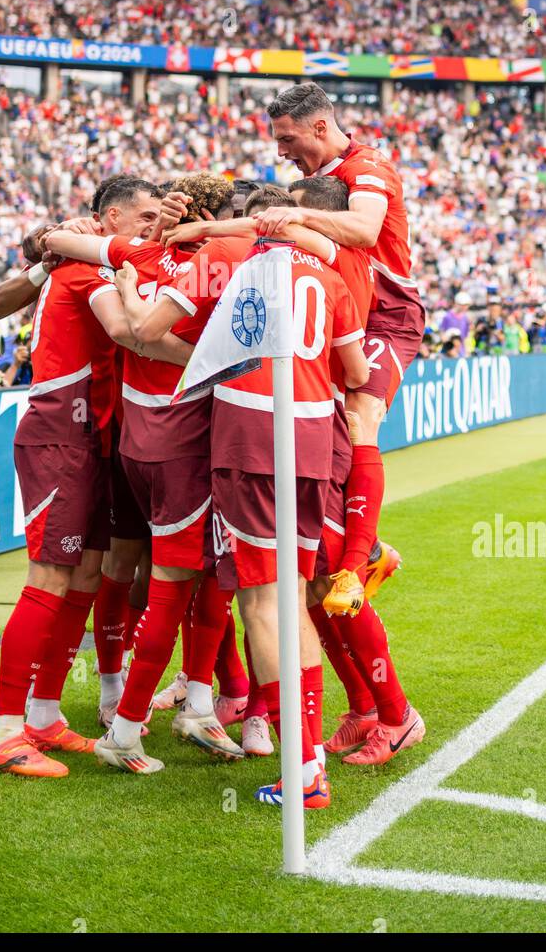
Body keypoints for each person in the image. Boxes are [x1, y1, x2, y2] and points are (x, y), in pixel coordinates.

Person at [118, 185, 375, 809]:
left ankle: (303, 766)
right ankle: (305, 753)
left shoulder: (227, 263)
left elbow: (142, 331)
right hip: (315, 437)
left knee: (264, 605)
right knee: (291, 596)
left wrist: (161, 259)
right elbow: (360, 374)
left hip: (252, 439)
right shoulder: (328, 271)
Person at [0, 179, 192, 778]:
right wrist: (227, 359)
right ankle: (4, 732)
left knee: (88, 575)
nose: (154, 227)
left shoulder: (92, 261)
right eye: (145, 216)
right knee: (49, 575)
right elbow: (129, 333)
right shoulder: (86, 268)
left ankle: (44, 714)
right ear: (110, 217)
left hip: (93, 442)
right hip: (58, 438)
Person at [45, 173, 246, 772]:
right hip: (184, 450)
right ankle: (127, 727)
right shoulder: (229, 264)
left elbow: (59, 240)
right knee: (178, 586)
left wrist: (64, 234)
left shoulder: (138, 254)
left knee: (203, 575)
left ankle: (199, 703)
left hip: (135, 444)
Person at [255, 82, 426, 614]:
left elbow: (364, 227)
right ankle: (369, 549)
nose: (280, 151)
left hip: (386, 316)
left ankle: (356, 569)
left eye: (287, 138)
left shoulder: (366, 166)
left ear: (321, 127)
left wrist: (300, 217)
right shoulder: (309, 179)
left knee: (358, 419)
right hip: (336, 312)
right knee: (325, 430)